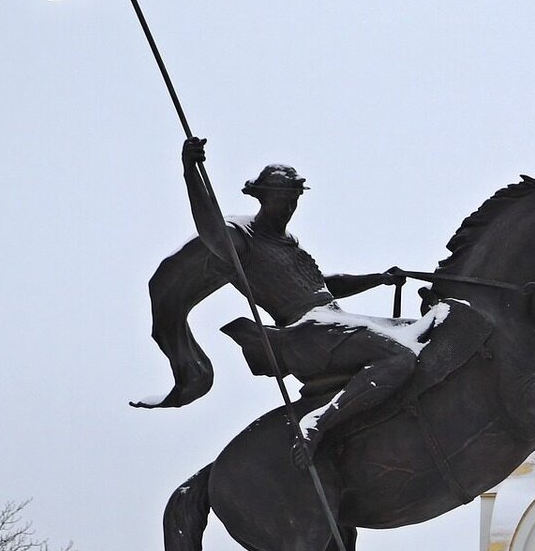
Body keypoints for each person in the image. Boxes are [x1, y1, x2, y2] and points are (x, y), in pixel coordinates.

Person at [137, 138, 421, 467]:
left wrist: (379, 278)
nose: (288, 206)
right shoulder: (241, 239)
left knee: (422, 330)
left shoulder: (289, 244)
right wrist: (191, 171)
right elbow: (211, 230)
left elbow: (324, 286)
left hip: (334, 321)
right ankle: (316, 425)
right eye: (280, 199)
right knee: (400, 357)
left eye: (293, 199)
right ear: (262, 197)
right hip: (308, 335)